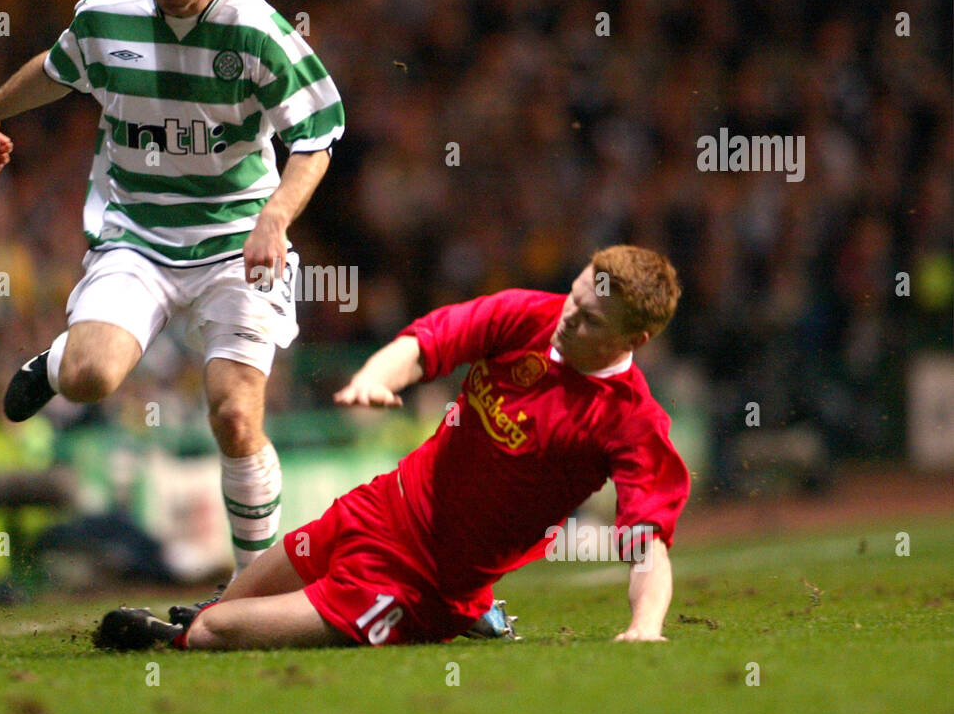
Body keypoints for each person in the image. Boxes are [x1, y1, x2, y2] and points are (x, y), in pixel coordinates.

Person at [0, 0, 344, 579]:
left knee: (235, 417)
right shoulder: (107, 13)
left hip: (237, 240)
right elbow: (58, 71)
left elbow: (318, 136)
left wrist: (275, 216)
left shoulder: (259, 31)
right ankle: (52, 365)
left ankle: (249, 588)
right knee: (88, 378)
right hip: (137, 234)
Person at [94, 245, 689, 650]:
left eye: (590, 321)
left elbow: (648, 547)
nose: (568, 318)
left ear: (632, 339)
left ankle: (173, 638)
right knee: (225, 599)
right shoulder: (528, 314)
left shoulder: (631, 423)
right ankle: (479, 612)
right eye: (574, 297)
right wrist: (380, 375)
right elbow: (430, 341)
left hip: (417, 581)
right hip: (382, 504)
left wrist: (646, 625)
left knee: (213, 631)